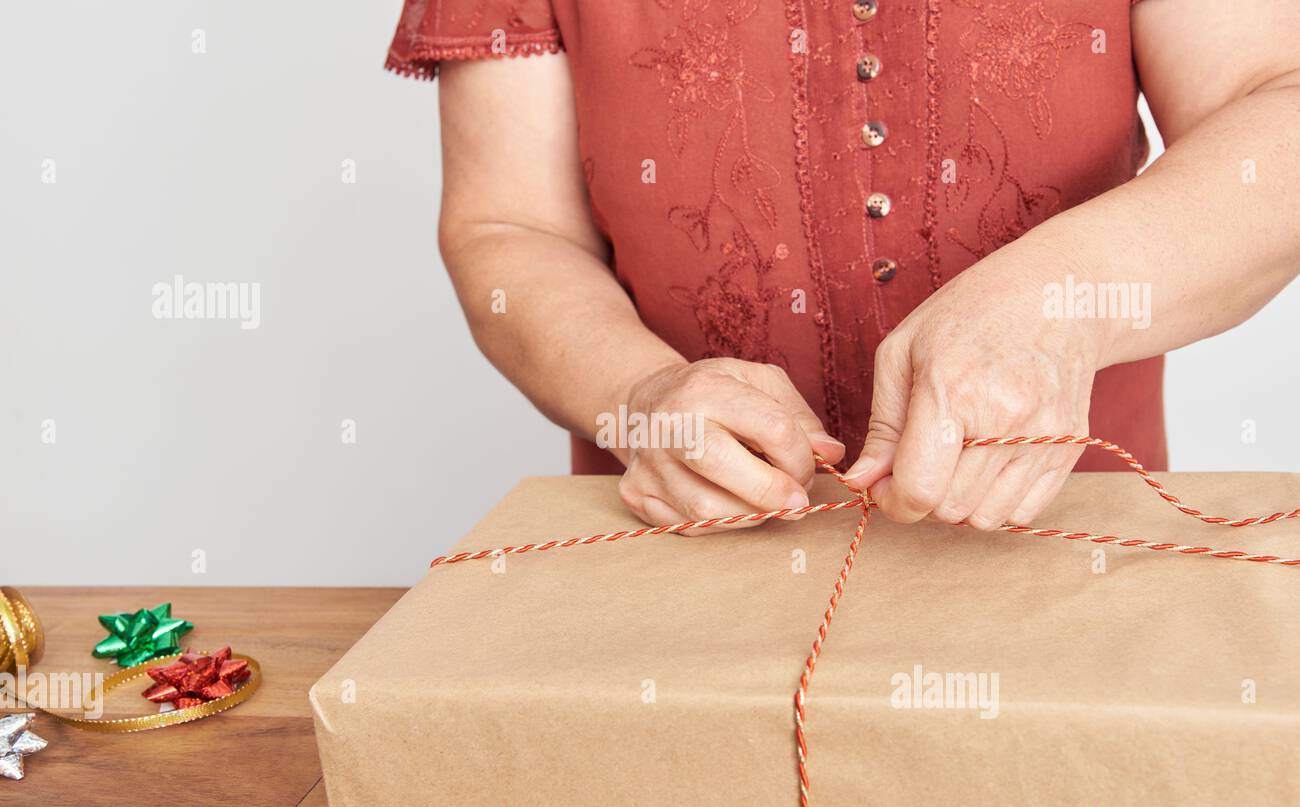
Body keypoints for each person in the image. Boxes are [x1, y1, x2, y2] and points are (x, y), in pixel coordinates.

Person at [388, 0, 1299, 534]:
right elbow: (509, 226)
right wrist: (643, 389)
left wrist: (1060, 303)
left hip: (1070, 550)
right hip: (678, 573)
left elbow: (1278, 118)